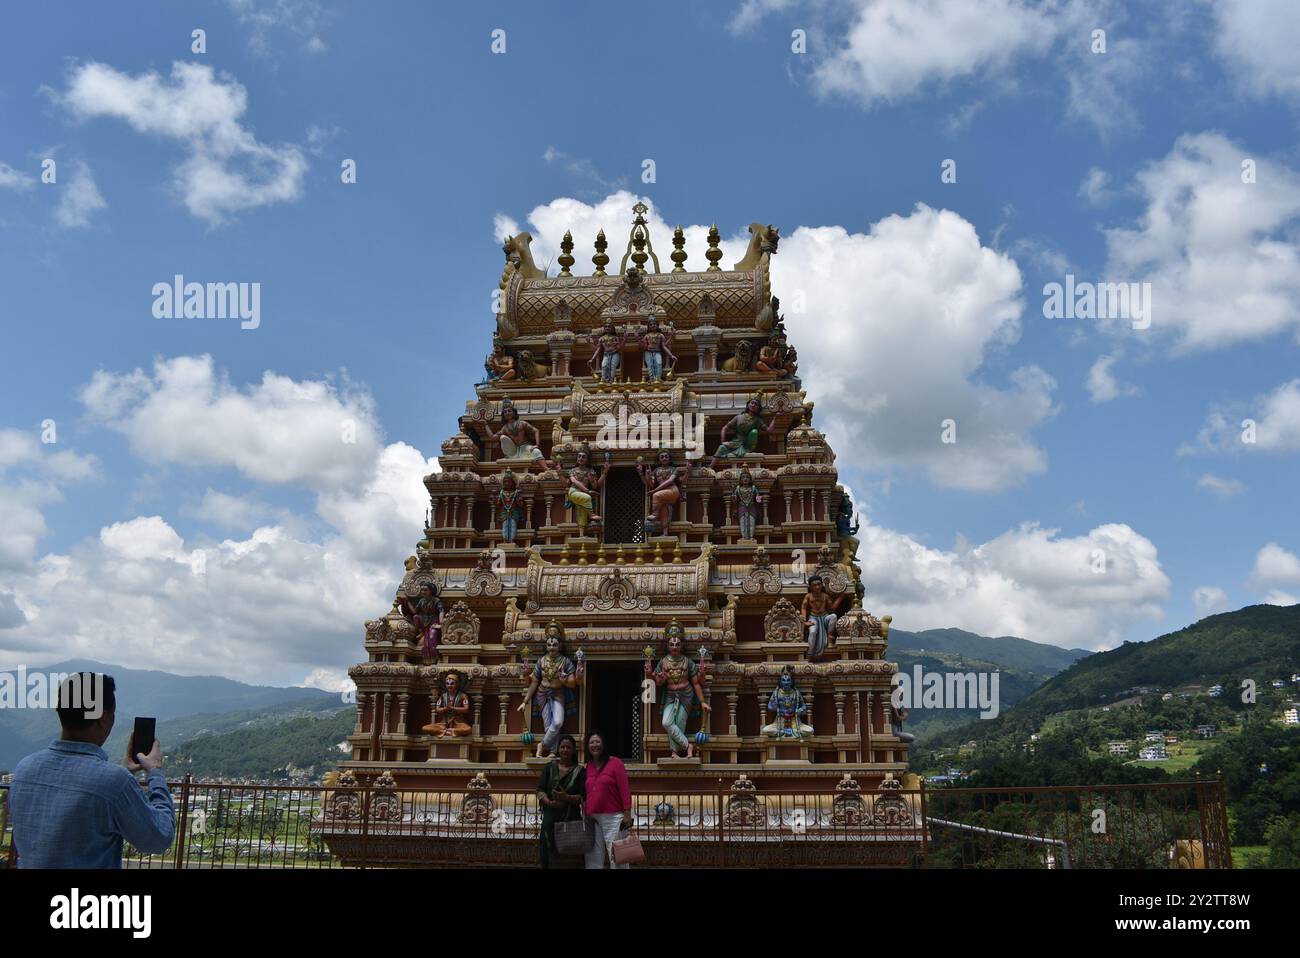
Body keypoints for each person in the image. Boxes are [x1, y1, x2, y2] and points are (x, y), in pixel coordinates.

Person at [9, 672, 175, 868]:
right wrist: (155, 772)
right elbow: (159, 837)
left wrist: (124, 772)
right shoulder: (114, 783)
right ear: (103, 717)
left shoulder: (24, 770)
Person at [583, 730, 634, 869]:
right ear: (587, 746)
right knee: (593, 856)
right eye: (591, 742)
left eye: (598, 742)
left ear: (603, 745)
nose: (595, 745)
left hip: (614, 817)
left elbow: (625, 789)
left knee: (618, 856)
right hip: (593, 818)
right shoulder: (588, 767)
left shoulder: (615, 763)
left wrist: (627, 812)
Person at [536, 734, 585, 868]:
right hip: (550, 817)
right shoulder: (549, 767)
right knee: (546, 850)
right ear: (558, 749)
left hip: (570, 818)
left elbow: (583, 796)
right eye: (562, 747)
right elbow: (540, 790)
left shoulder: (580, 771)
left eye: (568, 747)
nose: (565, 750)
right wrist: (549, 802)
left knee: (570, 855)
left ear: (574, 750)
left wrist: (566, 798)